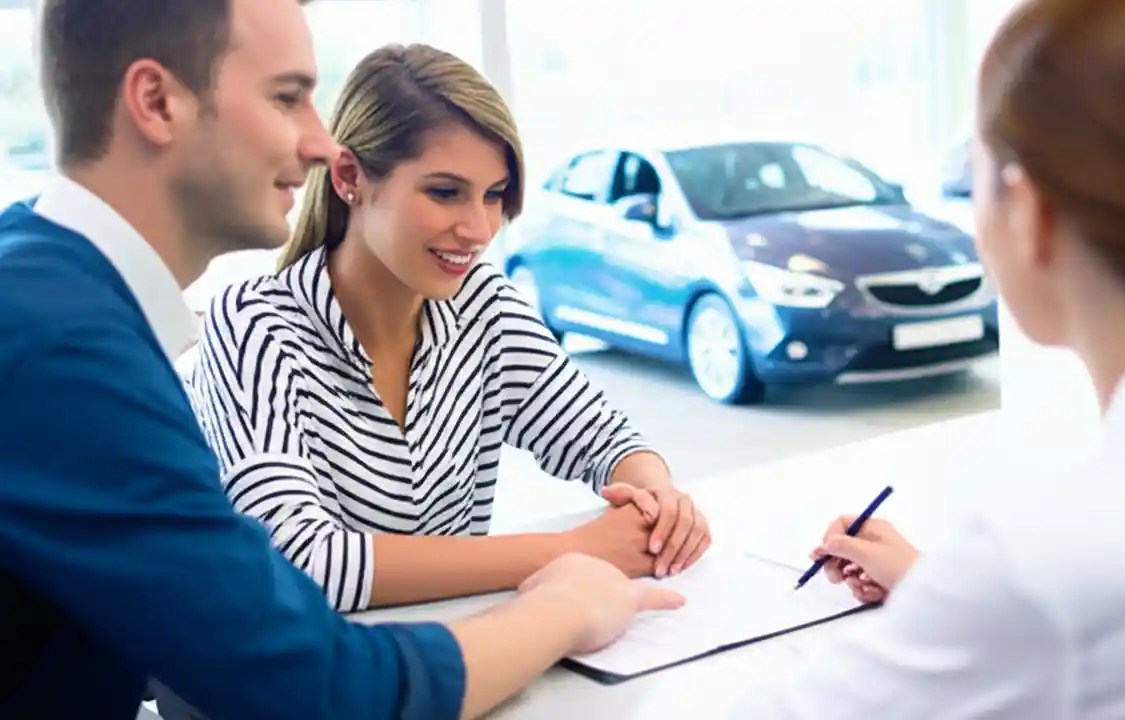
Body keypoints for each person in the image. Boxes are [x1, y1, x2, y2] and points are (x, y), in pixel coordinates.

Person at [0, 1, 683, 718]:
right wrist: (567, 598)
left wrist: (639, 504)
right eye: (288, 97)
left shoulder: (57, 303)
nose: (323, 144)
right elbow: (316, 688)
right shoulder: (61, 350)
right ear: (156, 102)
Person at [745, 0, 1125, 716]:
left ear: (1032, 214)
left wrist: (563, 608)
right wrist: (949, 596)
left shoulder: (1048, 567)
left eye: (976, 178)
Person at [183, 43, 711, 612]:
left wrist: (657, 498)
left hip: (448, 663)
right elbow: (298, 561)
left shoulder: (484, 306)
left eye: (493, 195)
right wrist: (569, 550)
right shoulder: (253, 324)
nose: (479, 228)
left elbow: (605, 439)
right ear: (349, 177)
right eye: (445, 192)